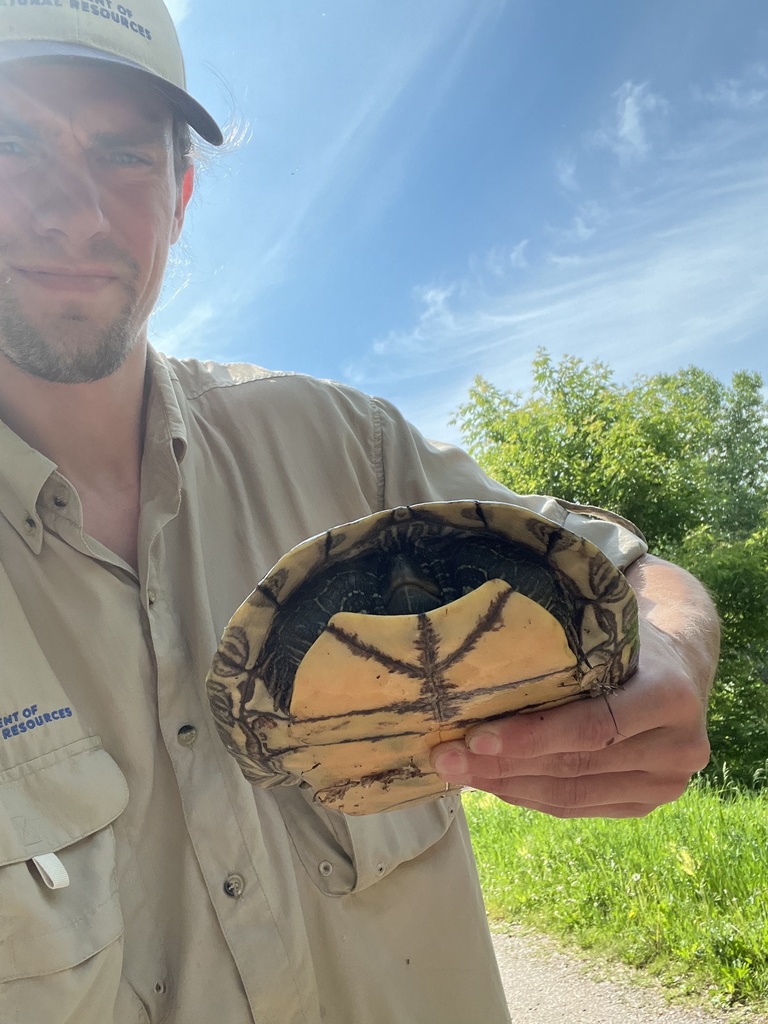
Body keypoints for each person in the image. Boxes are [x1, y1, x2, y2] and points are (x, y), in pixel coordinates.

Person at [0, 3, 719, 1023]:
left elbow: (633, 571)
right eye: (12, 139)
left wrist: (674, 651)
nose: (70, 211)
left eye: (122, 154)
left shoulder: (341, 444)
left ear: (180, 197)